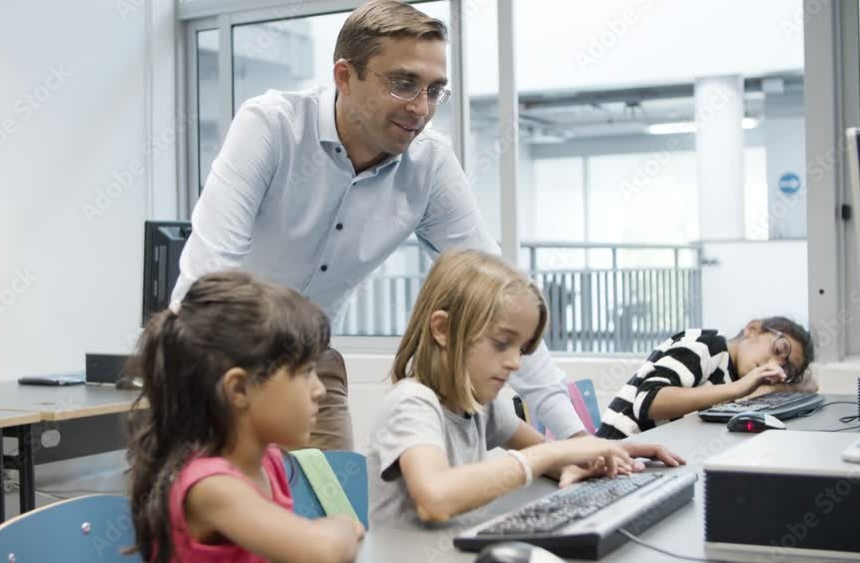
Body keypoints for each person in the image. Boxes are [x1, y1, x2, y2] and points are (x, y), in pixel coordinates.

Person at [171, 0, 587, 450]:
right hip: (225, 359)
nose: (420, 108)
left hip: (311, 363)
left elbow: (500, 298)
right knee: (217, 508)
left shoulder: (430, 166)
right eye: (404, 83)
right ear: (345, 77)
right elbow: (208, 273)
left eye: (433, 90)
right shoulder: (272, 127)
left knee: (338, 509)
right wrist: (183, 389)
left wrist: (578, 437)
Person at [367, 250, 686, 525]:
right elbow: (436, 497)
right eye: (502, 343)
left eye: (521, 350)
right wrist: (556, 451)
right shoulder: (412, 403)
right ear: (443, 330)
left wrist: (606, 453)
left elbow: (548, 457)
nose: (515, 363)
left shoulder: (478, 406)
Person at [126, 270, 364, 563]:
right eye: (304, 373)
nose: (319, 391)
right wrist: (341, 525)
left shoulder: (270, 461)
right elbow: (321, 551)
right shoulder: (210, 485)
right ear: (239, 389)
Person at [596, 317, 816, 439]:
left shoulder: (733, 377)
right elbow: (648, 402)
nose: (774, 366)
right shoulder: (706, 344)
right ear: (753, 329)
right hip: (616, 447)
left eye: (787, 370)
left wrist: (779, 388)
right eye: (779, 349)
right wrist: (741, 387)